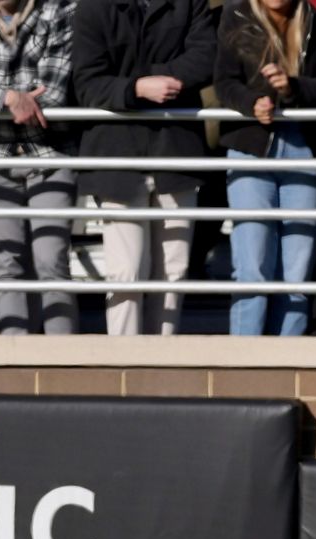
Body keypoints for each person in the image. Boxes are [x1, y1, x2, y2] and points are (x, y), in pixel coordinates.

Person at [71, 0, 217, 335]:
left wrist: (160, 79)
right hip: (116, 157)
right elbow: (86, 82)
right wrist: (137, 88)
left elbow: (206, 56)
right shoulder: (94, 8)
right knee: (126, 269)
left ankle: (162, 361)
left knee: (174, 269)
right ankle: (124, 364)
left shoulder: (190, 3)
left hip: (176, 152)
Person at [214, 0, 316, 336]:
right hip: (250, 146)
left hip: (306, 147)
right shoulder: (236, 15)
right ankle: (244, 365)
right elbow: (223, 83)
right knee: (251, 266)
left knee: (297, 272)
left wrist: (293, 86)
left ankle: (291, 362)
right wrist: (252, 103)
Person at [0, 0, 79, 336]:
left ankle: (63, 361)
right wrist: (8, 97)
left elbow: (53, 94)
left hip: (50, 155)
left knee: (51, 261)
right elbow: (31, 97)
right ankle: (14, 360)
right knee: (6, 263)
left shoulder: (61, 9)